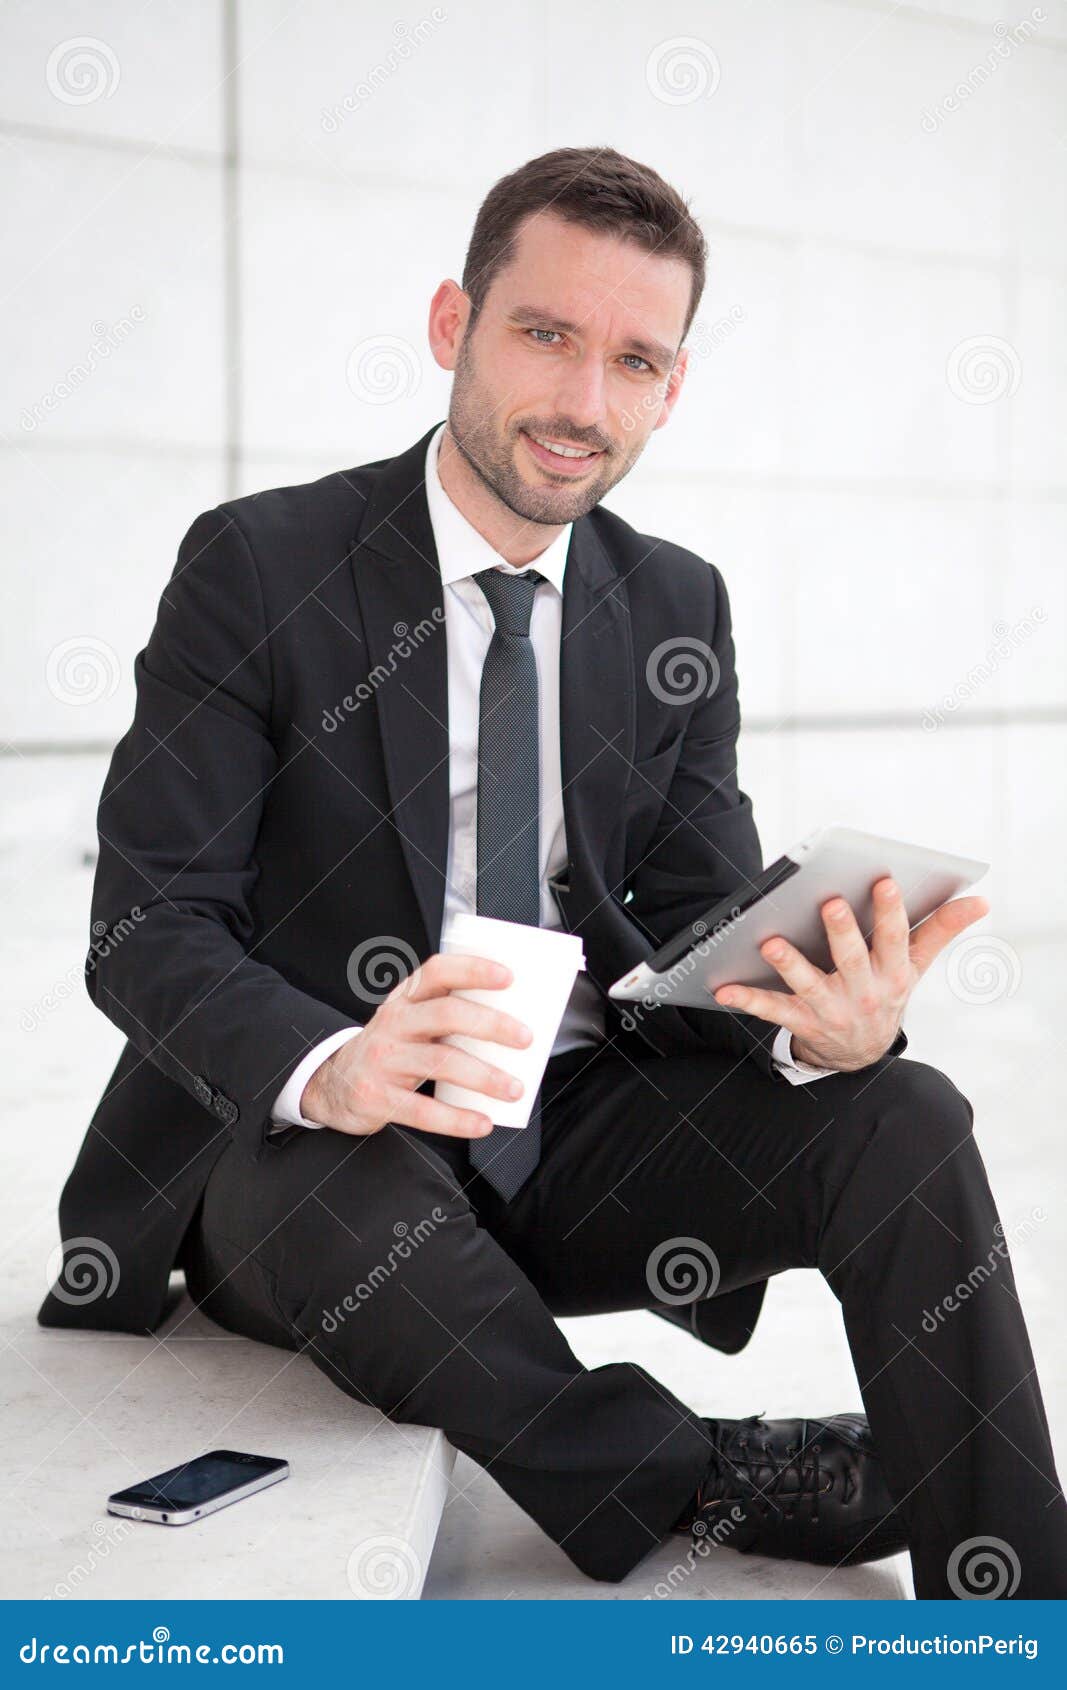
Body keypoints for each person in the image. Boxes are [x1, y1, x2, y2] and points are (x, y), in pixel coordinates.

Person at [41, 146, 1066, 1599]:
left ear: (672, 387)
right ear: (456, 325)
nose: (586, 401)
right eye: (547, 335)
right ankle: (707, 1473)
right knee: (363, 1205)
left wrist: (824, 1019)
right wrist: (332, 1063)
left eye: (634, 357)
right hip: (313, 1151)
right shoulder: (262, 568)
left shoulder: (671, 603)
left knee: (903, 1110)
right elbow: (147, 921)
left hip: (567, 1128)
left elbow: (705, 921)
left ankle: (1025, 1592)